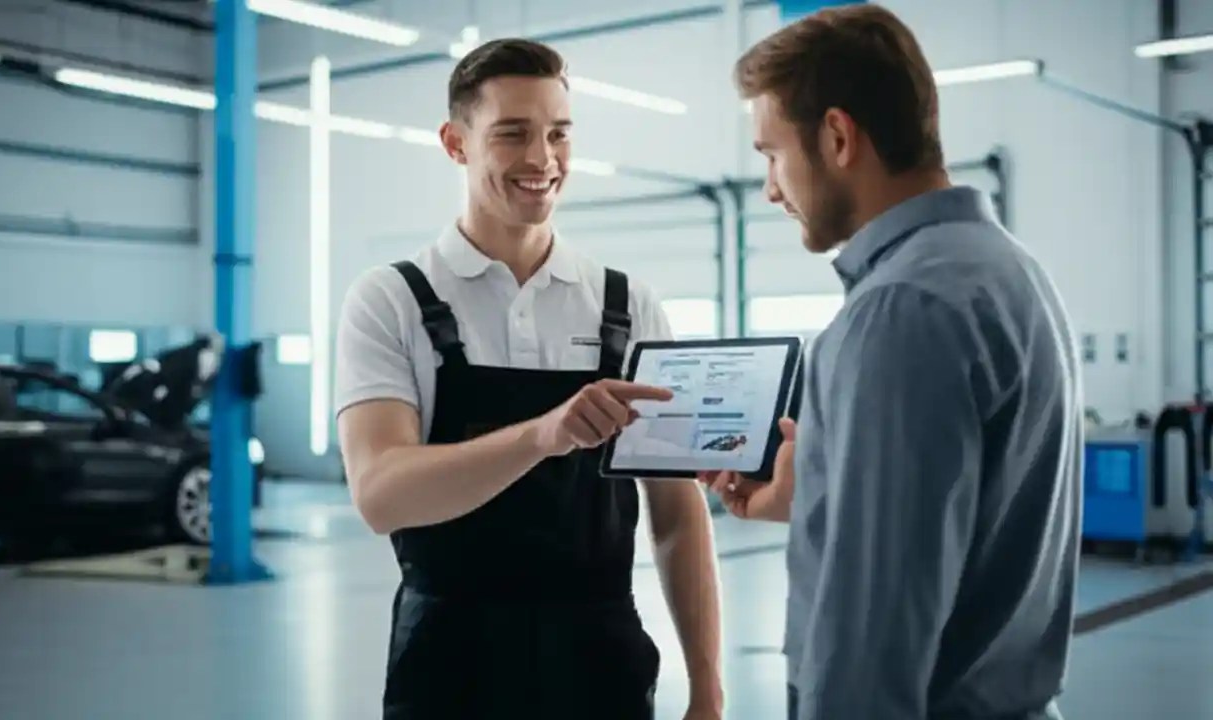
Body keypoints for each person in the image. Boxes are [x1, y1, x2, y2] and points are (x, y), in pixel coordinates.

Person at [701, 5, 1083, 720]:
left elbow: (872, 640)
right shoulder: (1005, 269)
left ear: (839, 136)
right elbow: (962, 522)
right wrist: (818, 497)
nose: (771, 189)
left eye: (771, 154)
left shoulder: (899, 309)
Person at [334, 38, 724, 720]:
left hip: (602, 667)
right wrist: (542, 435)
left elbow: (676, 513)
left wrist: (708, 690)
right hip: (449, 671)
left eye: (558, 134)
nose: (542, 160)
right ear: (456, 144)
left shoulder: (628, 306)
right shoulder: (391, 300)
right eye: (513, 135)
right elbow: (380, 495)